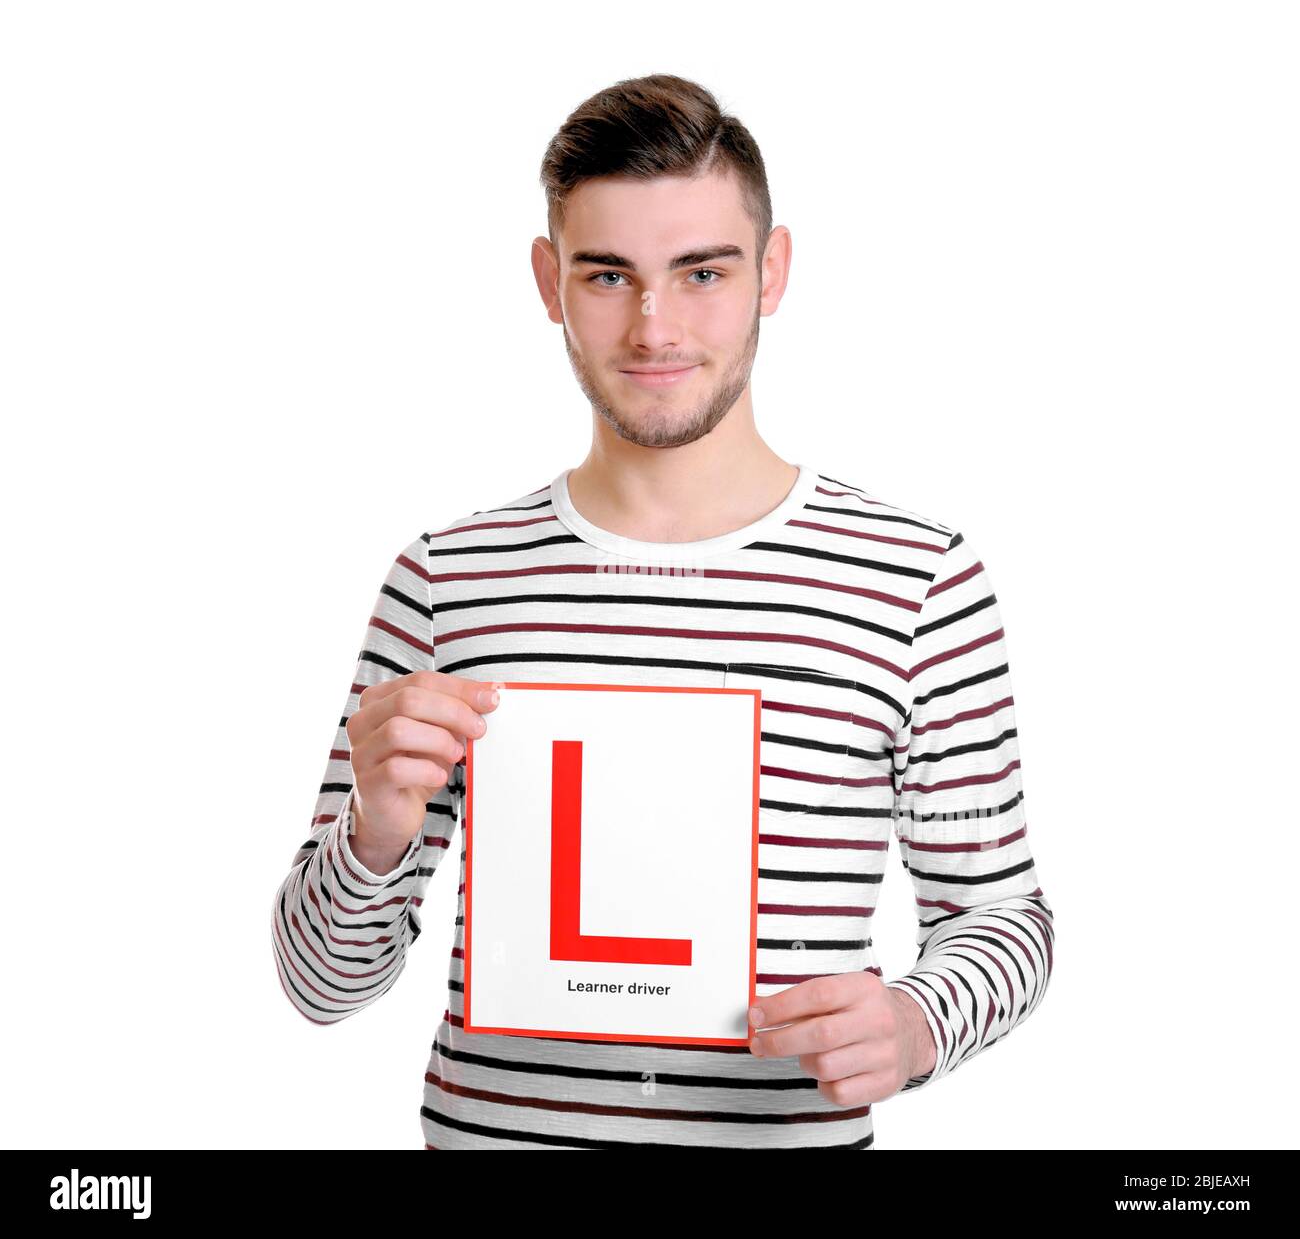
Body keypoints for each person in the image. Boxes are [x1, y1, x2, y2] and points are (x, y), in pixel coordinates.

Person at [270, 73, 1055, 1150]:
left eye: (701, 272)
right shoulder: (447, 578)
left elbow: (1002, 919)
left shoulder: (916, 577)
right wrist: (373, 834)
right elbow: (320, 989)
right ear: (548, 282)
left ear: (771, 272)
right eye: (607, 274)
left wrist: (917, 1025)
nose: (653, 326)